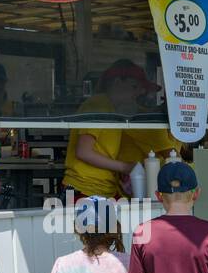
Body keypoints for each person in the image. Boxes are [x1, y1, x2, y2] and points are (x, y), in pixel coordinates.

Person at [62, 61, 154, 199]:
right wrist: (125, 167)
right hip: (84, 188)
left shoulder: (113, 110)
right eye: (134, 86)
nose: (139, 93)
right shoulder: (99, 106)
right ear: (117, 82)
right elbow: (83, 151)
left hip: (103, 189)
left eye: (140, 89)